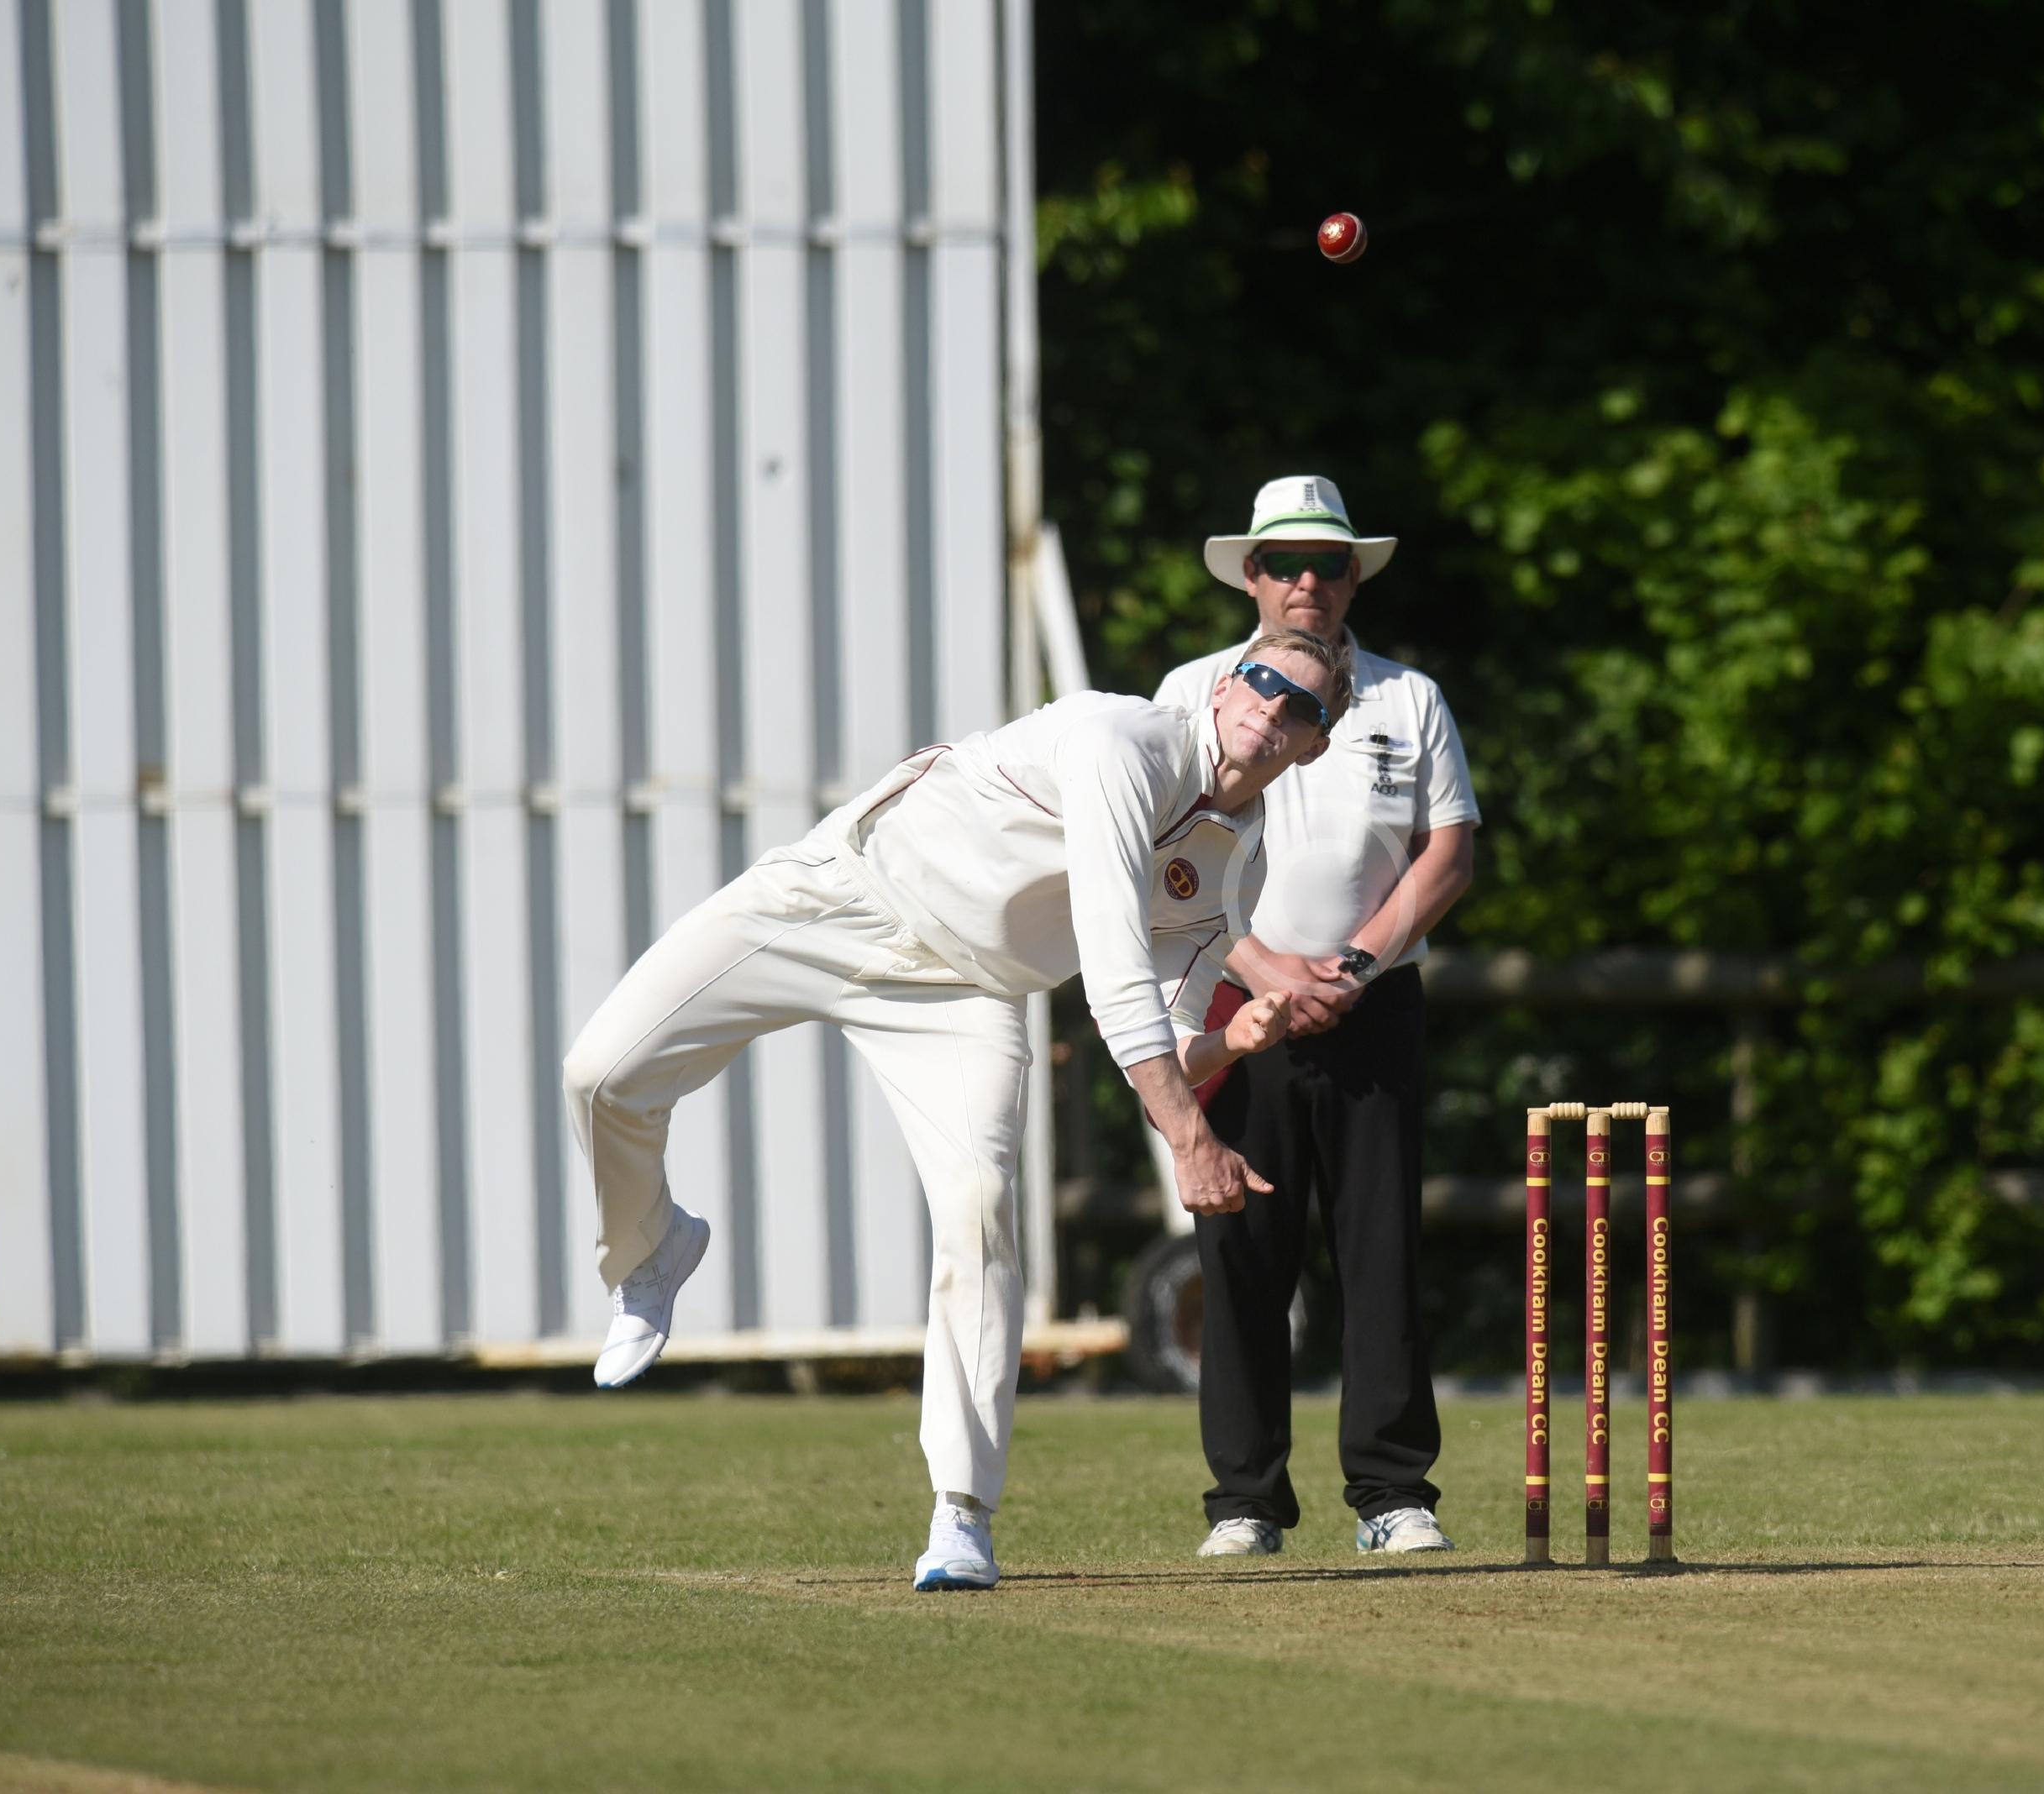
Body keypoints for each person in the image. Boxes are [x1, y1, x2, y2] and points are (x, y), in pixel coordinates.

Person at [561, 630, 1347, 1591]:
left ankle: (960, 1516)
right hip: (839, 893)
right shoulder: (1122, 743)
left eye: (1300, 708)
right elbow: (1111, 976)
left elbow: (1171, 1040)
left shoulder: (1233, 871)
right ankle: (650, 1248)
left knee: (979, 1209)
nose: (1271, 711)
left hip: (965, 993)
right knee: (600, 1074)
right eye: (1261, 683)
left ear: (1314, 743)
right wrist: (1193, 1141)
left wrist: (1229, 1043)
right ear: (1224, 687)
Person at [1154, 476, 1479, 1557]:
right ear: (1249, 575)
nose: (1307, 581)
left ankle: (1392, 1494)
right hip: (1229, 999)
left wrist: (1354, 964)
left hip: (1368, 1005)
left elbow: (1447, 853)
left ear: (1352, 578)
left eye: (1328, 563)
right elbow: (1166, 855)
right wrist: (1261, 967)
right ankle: (1244, 1501)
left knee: (1379, 1249)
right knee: (1240, 1249)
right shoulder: (1192, 690)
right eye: (1285, 563)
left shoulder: (1407, 697)